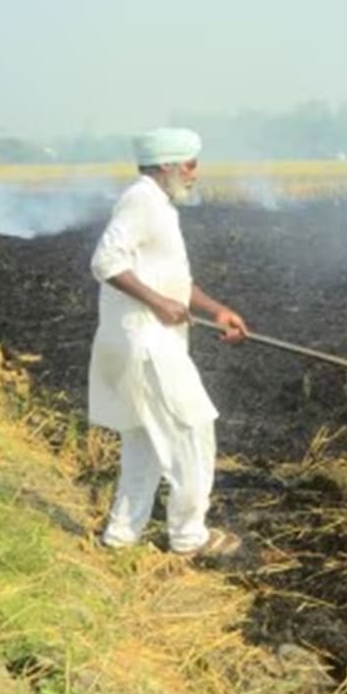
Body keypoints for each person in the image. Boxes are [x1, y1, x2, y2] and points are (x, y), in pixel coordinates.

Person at [88, 127, 248, 556]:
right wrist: (158, 303)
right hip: (145, 342)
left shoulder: (159, 205)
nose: (196, 173)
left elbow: (176, 282)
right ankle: (189, 536)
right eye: (190, 164)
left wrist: (216, 311)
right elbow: (105, 261)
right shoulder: (141, 200)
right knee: (192, 429)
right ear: (167, 166)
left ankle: (121, 536)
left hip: (148, 340)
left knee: (145, 439)